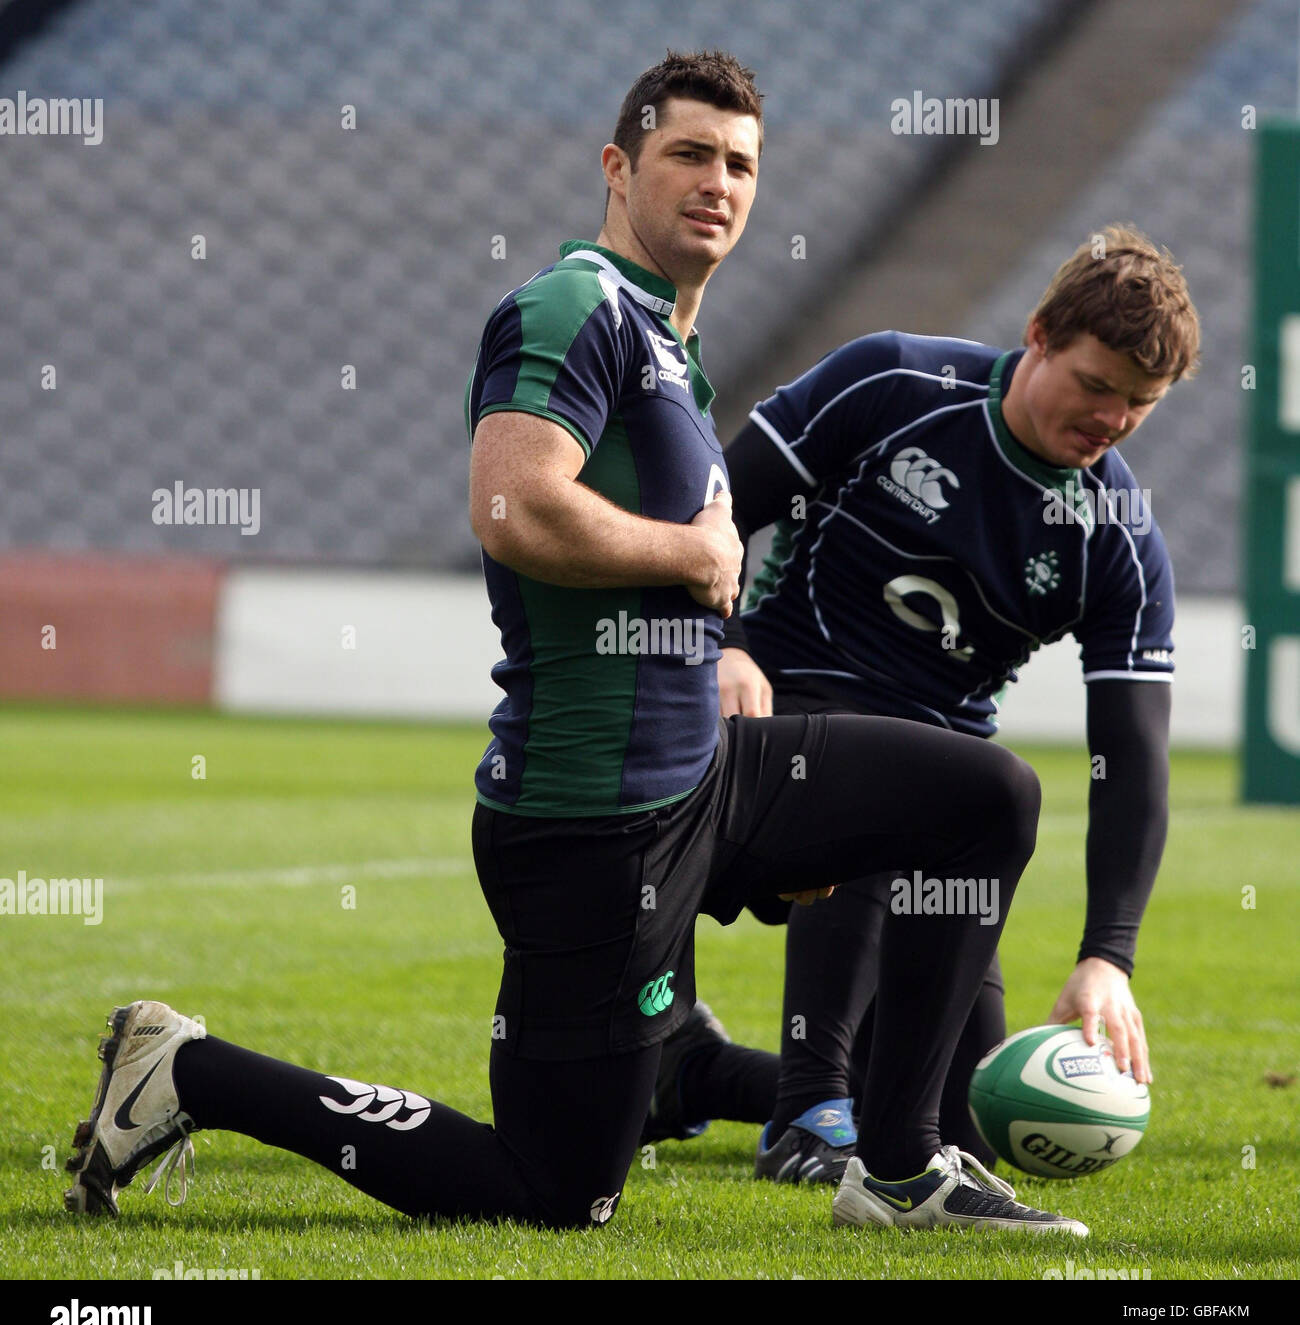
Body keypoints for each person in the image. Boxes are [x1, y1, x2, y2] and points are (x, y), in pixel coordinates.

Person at [62, 51, 1085, 1235]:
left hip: (703, 776)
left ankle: (904, 1166)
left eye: (740, 164)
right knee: (555, 1196)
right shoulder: (572, 307)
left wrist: (727, 665)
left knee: (982, 798)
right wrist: (693, 559)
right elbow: (512, 505)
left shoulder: (671, 342)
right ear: (618, 166)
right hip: (590, 823)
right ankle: (187, 1069)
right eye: (689, 154)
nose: (719, 182)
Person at [654, 225, 1197, 1189]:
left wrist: (1107, 955)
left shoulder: (1116, 538)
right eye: (1097, 384)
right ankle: (806, 1112)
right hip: (774, 713)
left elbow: (1134, 757)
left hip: (950, 793)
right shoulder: (893, 383)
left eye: (1140, 404)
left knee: (964, 1120)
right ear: (1038, 335)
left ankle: (691, 1074)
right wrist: (725, 648)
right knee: (891, 795)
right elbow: (714, 511)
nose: (1112, 418)